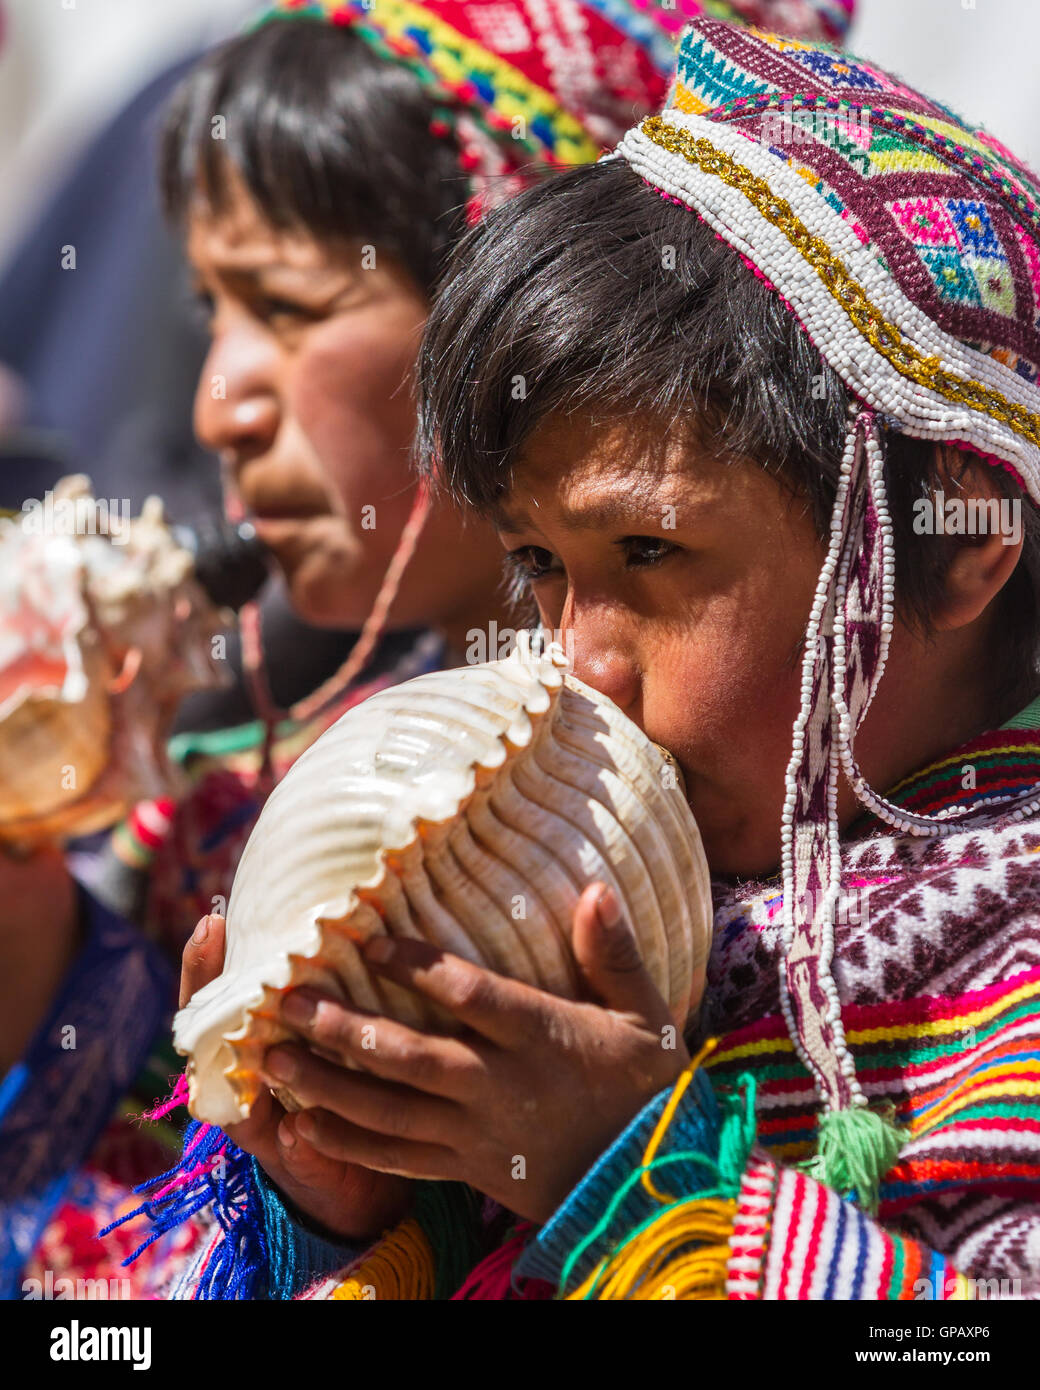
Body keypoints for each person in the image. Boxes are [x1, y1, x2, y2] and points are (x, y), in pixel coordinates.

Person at [147, 16, 1040, 1301]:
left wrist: (620, 1179)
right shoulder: (572, 945)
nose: (582, 669)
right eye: (541, 568)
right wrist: (350, 1201)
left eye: (650, 553)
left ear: (960, 541)